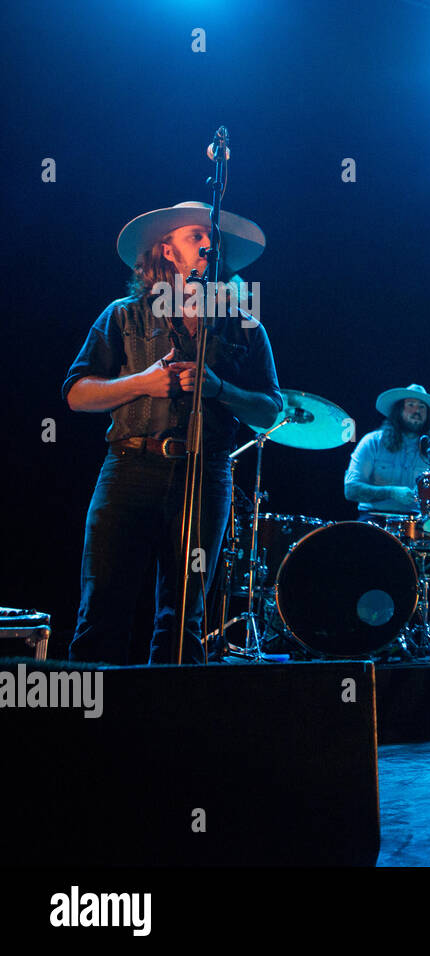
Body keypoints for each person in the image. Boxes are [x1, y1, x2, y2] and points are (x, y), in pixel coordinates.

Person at [64, 201, 282, 665]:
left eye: (212, 238)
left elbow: (270, 409)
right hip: (129, 468)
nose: (208, 244)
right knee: (101, 609)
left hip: (205, 474)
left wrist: (220, 388)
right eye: (195, 236)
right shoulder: (123, 315)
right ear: (167, 249)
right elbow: (76, 394)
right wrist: (142, 382)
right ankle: (82, 732)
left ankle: (174, 730)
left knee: (184, 618)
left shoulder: (246, 327)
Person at [344, 384, 430, 517]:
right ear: (398, 411)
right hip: (374, 518)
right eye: (411, 404)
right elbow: (350, 490)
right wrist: (391, 492)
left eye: (422, 407)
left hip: (416, 525)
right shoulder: (372, 442)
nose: (417, 410)